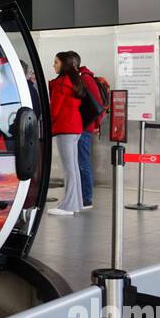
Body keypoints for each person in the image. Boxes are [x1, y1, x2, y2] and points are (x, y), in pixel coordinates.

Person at [48, 52, 85, 216]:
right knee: (74, 168)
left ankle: (67, 206)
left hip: (65, 127)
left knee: (68, 169)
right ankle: (77, 202)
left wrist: (47, 126)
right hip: (76, 127)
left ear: (64, 64)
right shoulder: (75, 81)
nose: (54, 65)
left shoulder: (62, 83)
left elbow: (54, 110)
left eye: (56, 62)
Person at [71, 51, 104, 210]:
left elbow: (98, 104)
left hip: (85, 128)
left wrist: (96, 124)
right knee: (79, 163)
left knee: (83, 163)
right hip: (80, 127)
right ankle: (81, 197)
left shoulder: (85, 78)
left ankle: (86, 198)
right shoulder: (79, 78)